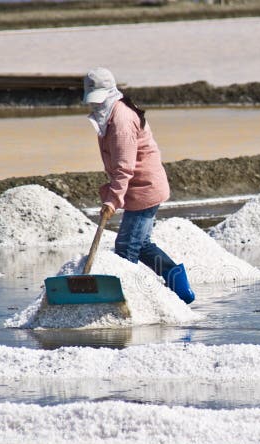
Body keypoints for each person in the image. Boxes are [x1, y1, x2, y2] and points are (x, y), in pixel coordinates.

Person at [83, 67, 195, 304]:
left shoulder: (121, 119)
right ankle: (181, 289)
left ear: (111, 92)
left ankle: (128, 299)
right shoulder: (112, 113)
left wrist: (112, 200)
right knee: (141, 244)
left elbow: (124, 167)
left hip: (145, 187)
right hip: (140, 187)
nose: (95, 106)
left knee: (126, 246)